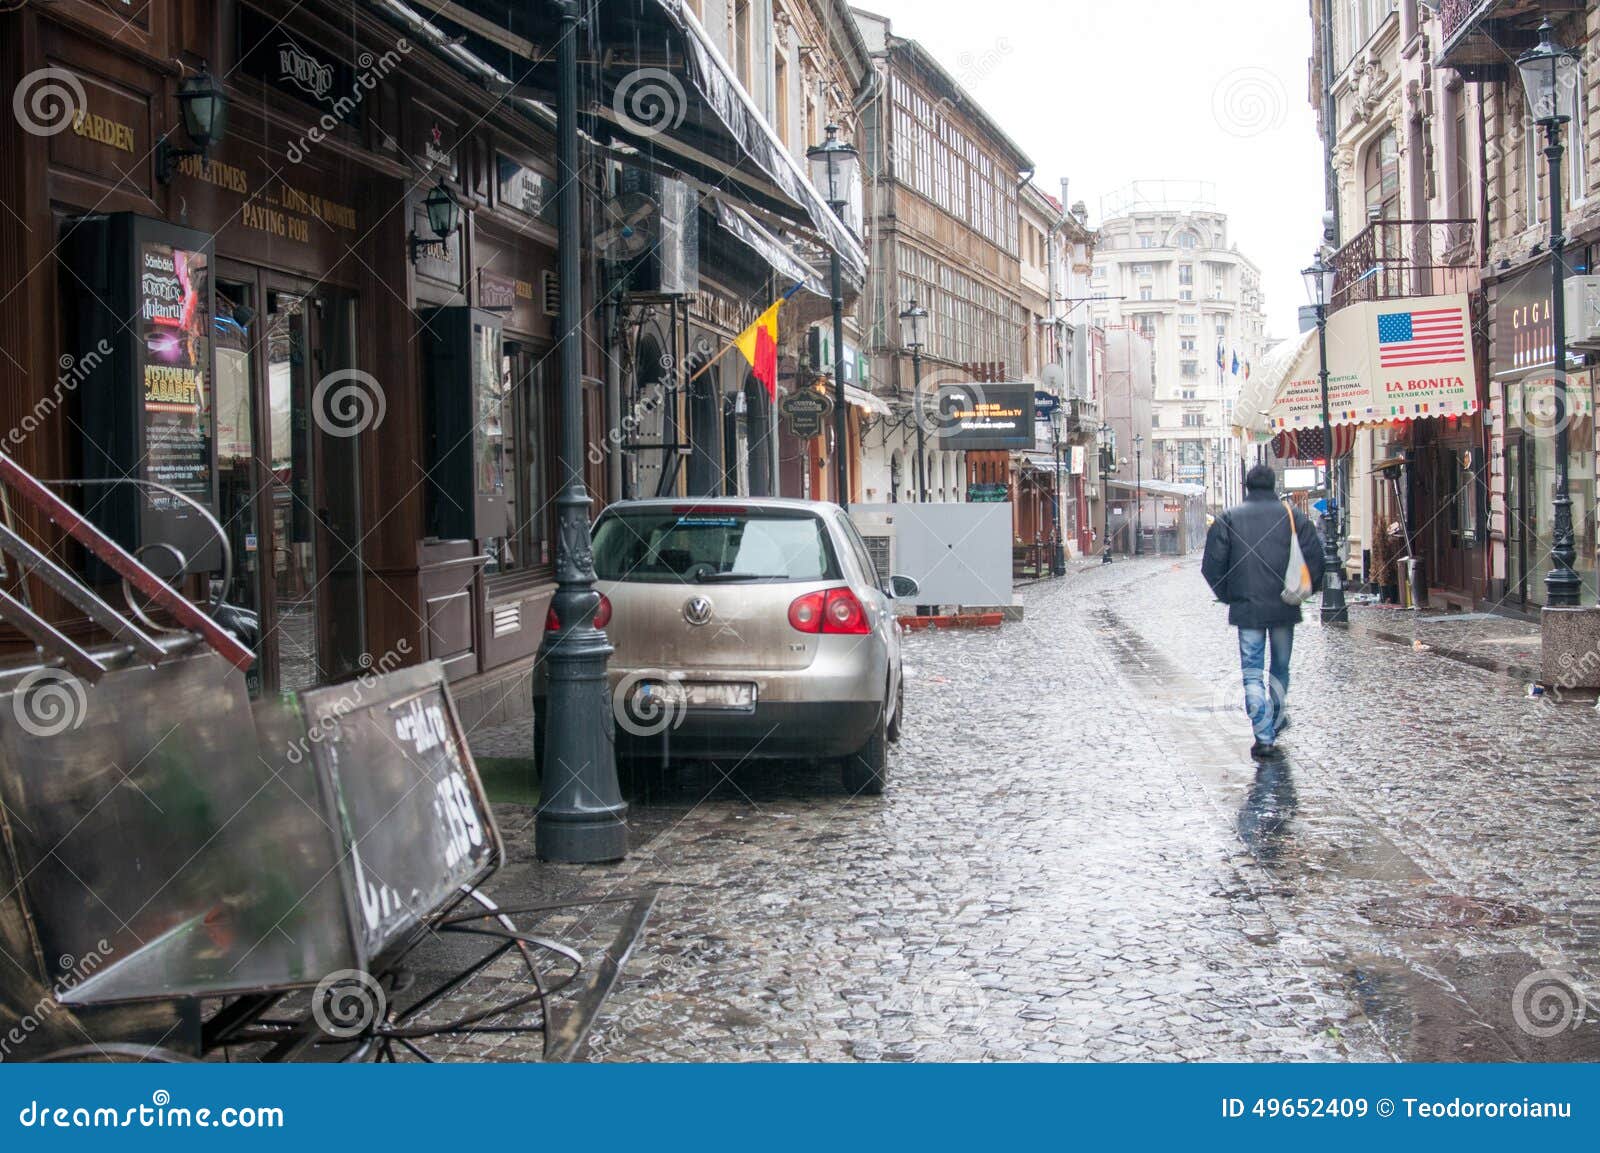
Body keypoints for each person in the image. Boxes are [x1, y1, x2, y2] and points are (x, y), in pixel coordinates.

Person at [1201, 464, 1327, 761]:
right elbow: (1315, 558)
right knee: (1280, 668)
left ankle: (1264, 735)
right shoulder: (1293, 516)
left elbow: (1212, 565)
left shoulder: (1229, 518)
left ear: (1247, 486)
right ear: (1273, 485)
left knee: (1252, 672)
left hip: (1247, 609)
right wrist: (1305, 592)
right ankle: (1276, 718)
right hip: (1285, 605)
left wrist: (1229, 596)